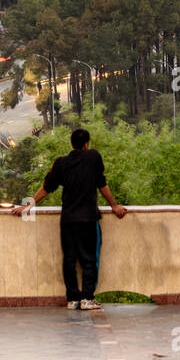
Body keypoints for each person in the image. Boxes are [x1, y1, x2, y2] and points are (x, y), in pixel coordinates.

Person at [11, 128, 128, 309]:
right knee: (89, 260)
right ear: (86, 144)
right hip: (88, 219)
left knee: (69, 260)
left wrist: (27, 205)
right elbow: (101, 183)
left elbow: (47, 188)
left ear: (71, 144)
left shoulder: (61, 163)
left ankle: (73, 300)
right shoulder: (93, 157)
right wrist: (114, 205)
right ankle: (87, 298)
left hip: (68, 220)